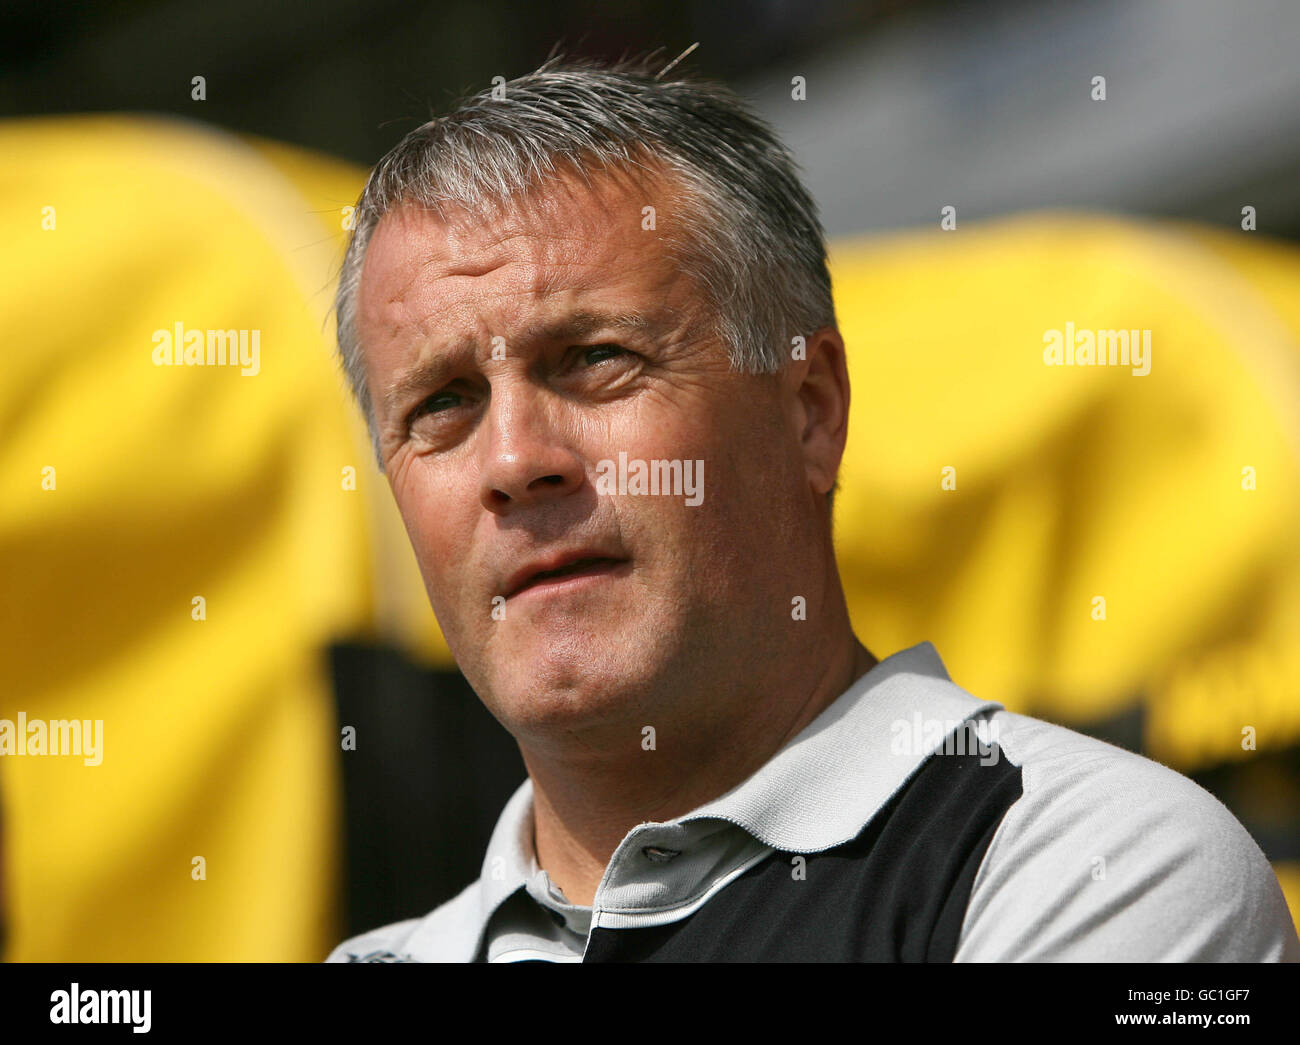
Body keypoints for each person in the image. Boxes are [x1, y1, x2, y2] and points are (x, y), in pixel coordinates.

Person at [325, 56, 1300, 962]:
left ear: (810, 411)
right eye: (443, 404)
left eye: (592, 359)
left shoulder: (1103, 862)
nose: (513, 461)